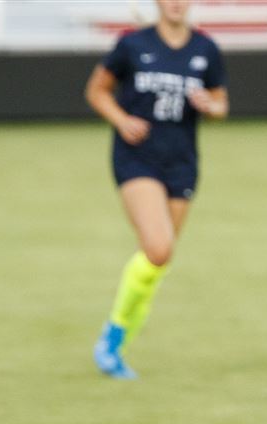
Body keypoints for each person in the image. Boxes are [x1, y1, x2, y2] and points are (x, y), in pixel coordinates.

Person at [86, 0, 228, 378]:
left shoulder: (205, 49)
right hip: (137, 159)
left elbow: (221, 104)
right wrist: (121, 119)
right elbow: (97, 91)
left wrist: (209, 106)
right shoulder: (132, 44)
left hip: (181, 164)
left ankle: (115, 346)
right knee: (159, 248)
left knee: (155, 264)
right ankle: (113, 336)